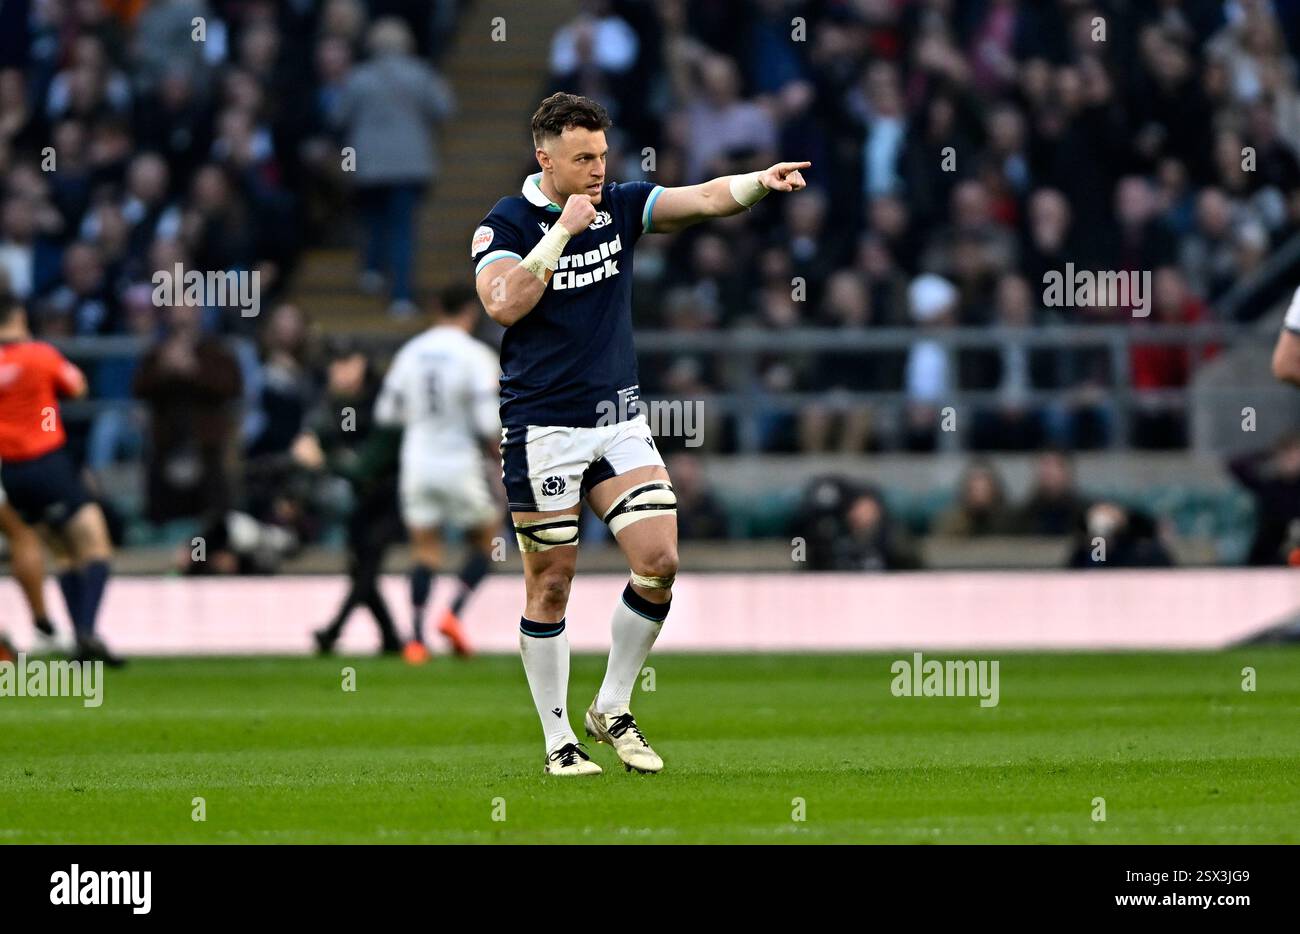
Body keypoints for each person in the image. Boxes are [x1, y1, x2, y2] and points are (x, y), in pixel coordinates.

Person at [471, 91, 808, 775]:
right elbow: (503, 305)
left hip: (616, 418)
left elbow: (706, 199)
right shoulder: (504, 223)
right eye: (582, 158)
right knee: (552, 584)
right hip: (542, 427)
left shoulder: (622, 205)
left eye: (601, 154)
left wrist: (757, 183)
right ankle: (558, 741)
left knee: (658, 563)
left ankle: (613, 707)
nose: (598, 169)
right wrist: (561, 231)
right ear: (546, 159)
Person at [373, 285, 503, 662]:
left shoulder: (410, 352)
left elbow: (386, 414)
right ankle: (453, 614)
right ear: (470, 311)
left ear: (434, 307)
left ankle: (414, 639)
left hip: (417, 462)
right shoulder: (476, 355)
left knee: (424, 550)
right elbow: (485, 420)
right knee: (485, 539)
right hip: (459, 462)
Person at [0, 290, 121, 664]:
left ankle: (56, 629)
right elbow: (78, 386)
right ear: (19, 315)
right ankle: (85, 632)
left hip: (11, 473)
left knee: (59, 552)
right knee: (95, 543)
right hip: (48, 462)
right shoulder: (40, 355)